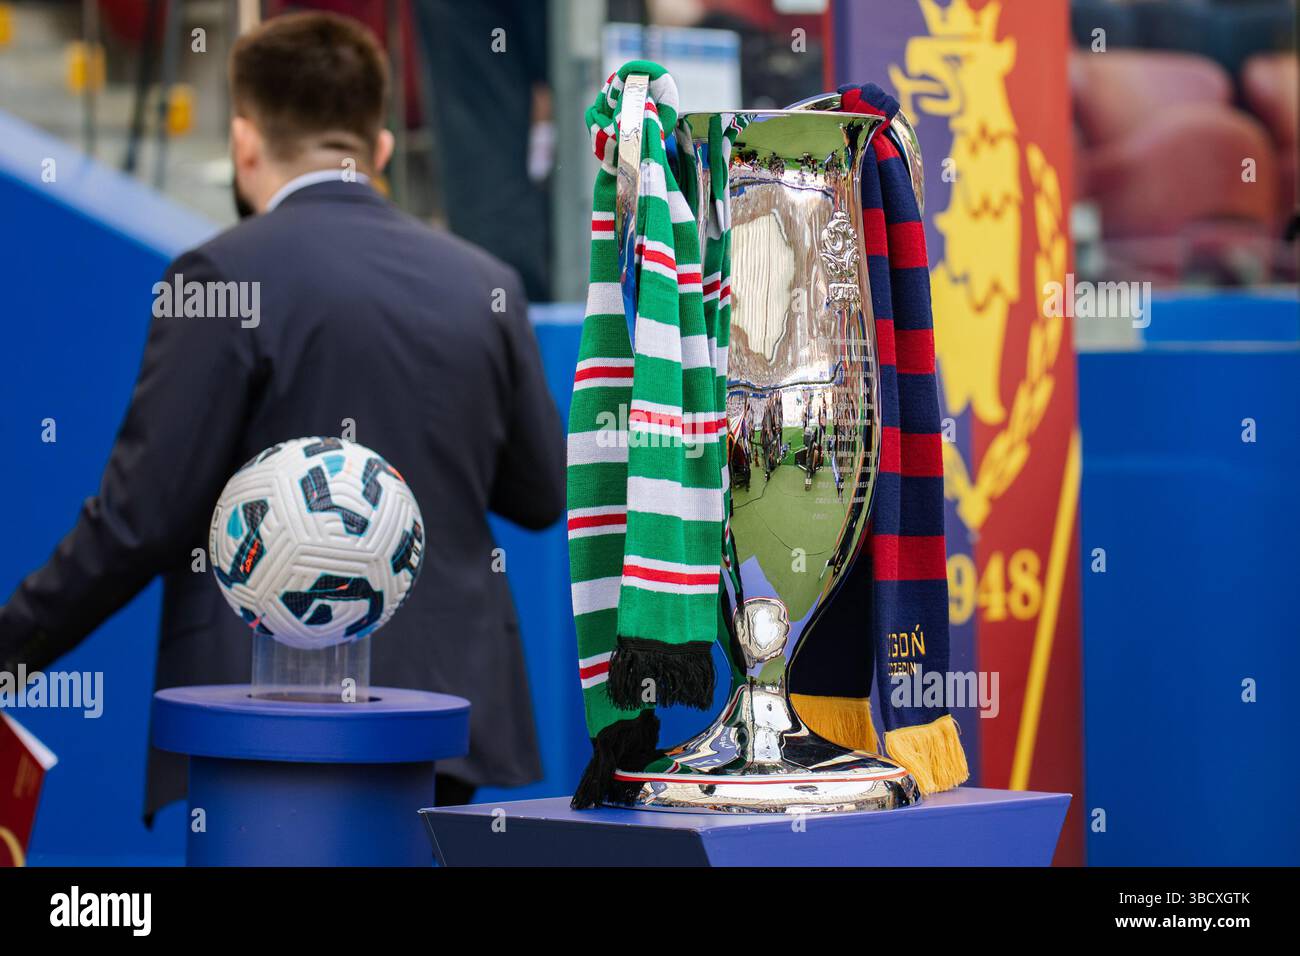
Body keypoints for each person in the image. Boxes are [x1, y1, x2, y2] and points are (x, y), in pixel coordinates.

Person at [0, 12, 564, 815]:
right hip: (437, 723)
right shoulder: (483, 282)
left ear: (242, 142)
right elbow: (539, 497)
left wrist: (9, 655)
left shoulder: (221, 275)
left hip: (257, 726)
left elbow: (137, 522)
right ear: (381, 151)